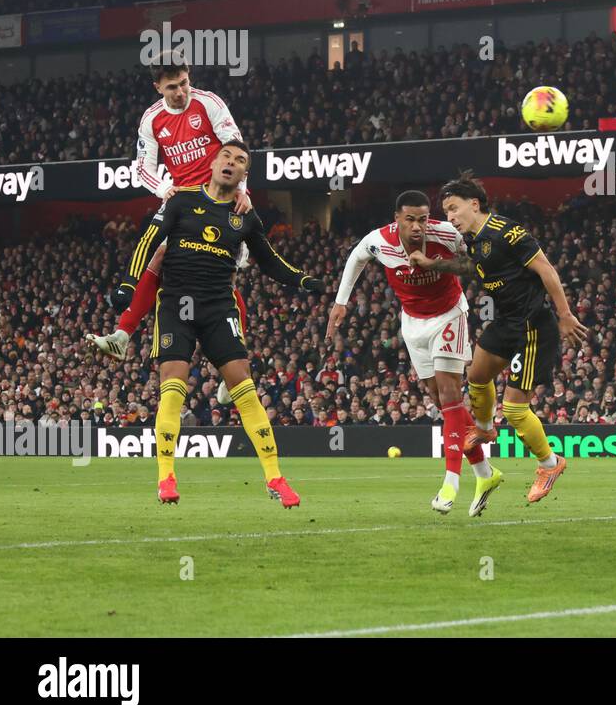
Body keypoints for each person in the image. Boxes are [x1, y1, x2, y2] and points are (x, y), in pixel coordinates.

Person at [115, 140, 325, 507]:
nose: (231, 163)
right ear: (212, 164)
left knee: (243, 385)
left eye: (240, 161)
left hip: (218, 307)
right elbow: (148, 241)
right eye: (226, 157)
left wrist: (304, 280)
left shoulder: (246, 216)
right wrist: (129, 284)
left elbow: (270, 261)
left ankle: (275, 478)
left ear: (245, 175)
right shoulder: (180, 201)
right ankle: (166, 477)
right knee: (173, 385)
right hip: (177, 304)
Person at [328, 190, 498, 515]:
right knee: (441, 401)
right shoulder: (380, 241)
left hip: (450, 314)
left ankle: (451, 483)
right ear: (398, 219)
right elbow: (356, 259)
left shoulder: (446, 233)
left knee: (450, 392)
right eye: (410, 219)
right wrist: (340, 302)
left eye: (422, 218)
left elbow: (474, 263)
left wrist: (435, 263)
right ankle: (485, 474)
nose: (418, 226)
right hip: (412, 323)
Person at [87, 52, 251, 362]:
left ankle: (237, 358)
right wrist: (164, 188)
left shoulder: (209, 104)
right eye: (171, 87)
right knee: (159, 257)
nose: (180, 92)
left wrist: (242, 189)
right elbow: (143, 167)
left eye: (184, 83)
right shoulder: (151, 119)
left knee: (221, 280)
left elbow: (236, 148)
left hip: (223, 200)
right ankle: (122, 335)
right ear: (157, 88)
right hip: (185, 204)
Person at [440, 173, 589, 506]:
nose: (450, 218)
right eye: (446, 212)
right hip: (506, 322)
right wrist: (436, 264)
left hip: (532, 326)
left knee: (515, 409)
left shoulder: (508, 231)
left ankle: (550, 464)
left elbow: (546, 269)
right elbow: (474, 267)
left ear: (474, 204)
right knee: (476, 375)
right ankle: (484, 427)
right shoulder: (474, 240)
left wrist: (565, 315)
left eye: (453, 208)